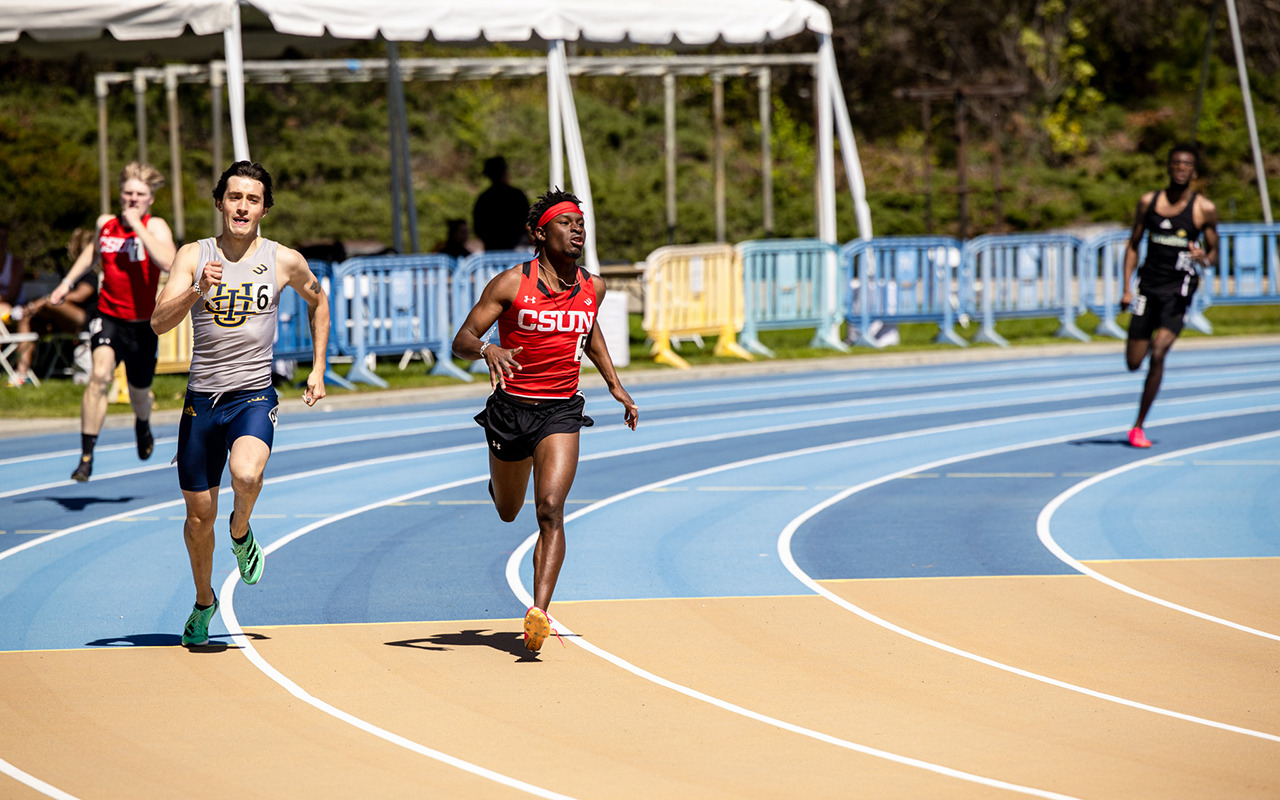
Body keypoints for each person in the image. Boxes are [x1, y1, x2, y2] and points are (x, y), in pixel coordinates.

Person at [151, 160, 330, 648]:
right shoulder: (193, 255)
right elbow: (158, 324)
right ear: (219, 203)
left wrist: (317, 368)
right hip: (201, 402)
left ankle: (242, 526)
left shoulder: (282, 260)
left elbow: (319, 301)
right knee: (196, 518)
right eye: (234, 197)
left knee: (247, 474)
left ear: (264, 210)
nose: (242, 207)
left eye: (252, 200)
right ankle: (204, 602)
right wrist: (195, 289)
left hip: (252, 394)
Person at [453, 189, 638, 653]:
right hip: (511, 409)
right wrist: (487, 348)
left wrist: (615, 384)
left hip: (560, 409)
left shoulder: (591, 287)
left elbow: (590, 331)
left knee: (550, 509)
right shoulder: (510, 285)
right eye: (566, 222)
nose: (577, 230)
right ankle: (499, 483)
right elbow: (463, 338)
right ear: (540, 233)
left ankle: (538, 613)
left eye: (581, 223)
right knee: (509, 510)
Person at [51, 162, 177, 481]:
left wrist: (138, 227)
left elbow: (169, 262)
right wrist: (66, 283)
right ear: (120, 194)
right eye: (128, 193)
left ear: (149, 199)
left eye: (140, 194)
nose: (132, 199)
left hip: (143, 323)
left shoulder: (156, 225)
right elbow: (92, 253)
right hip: (108, 316)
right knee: (100, 376)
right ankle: (86, 456)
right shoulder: (105, 224)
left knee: (139, 393)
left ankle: (143, 424)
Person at [1121, 143, 1219, 448]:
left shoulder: (1204, 209)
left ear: (1194, 171)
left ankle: (1138, 426)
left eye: (1186, 164)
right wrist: (1126, 287)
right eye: (1176, 163)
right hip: (1147, 289)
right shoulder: (1148, 202)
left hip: (1178, 293)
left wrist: (1203, 256)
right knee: (1134, 362)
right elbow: (1133, 244)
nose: (1180, 169)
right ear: (1168, 167)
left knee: (1159, 353)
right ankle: (1150, 342)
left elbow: (1214, 254)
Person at [11, 229, 99, 385]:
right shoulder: (73, 270)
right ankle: (22, 373)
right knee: (28, 318)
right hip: (64, 320)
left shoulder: (92, 270)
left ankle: (35, 306)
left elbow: (81, 295)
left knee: (53, 302)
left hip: (85, 319)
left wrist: (48, 299)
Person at [472, 156, 530, 252]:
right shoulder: (517, 195)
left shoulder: (484, 199)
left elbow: (477, 228)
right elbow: (529, 222)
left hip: (493, 254)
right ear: (505, 172)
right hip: (518, 252)